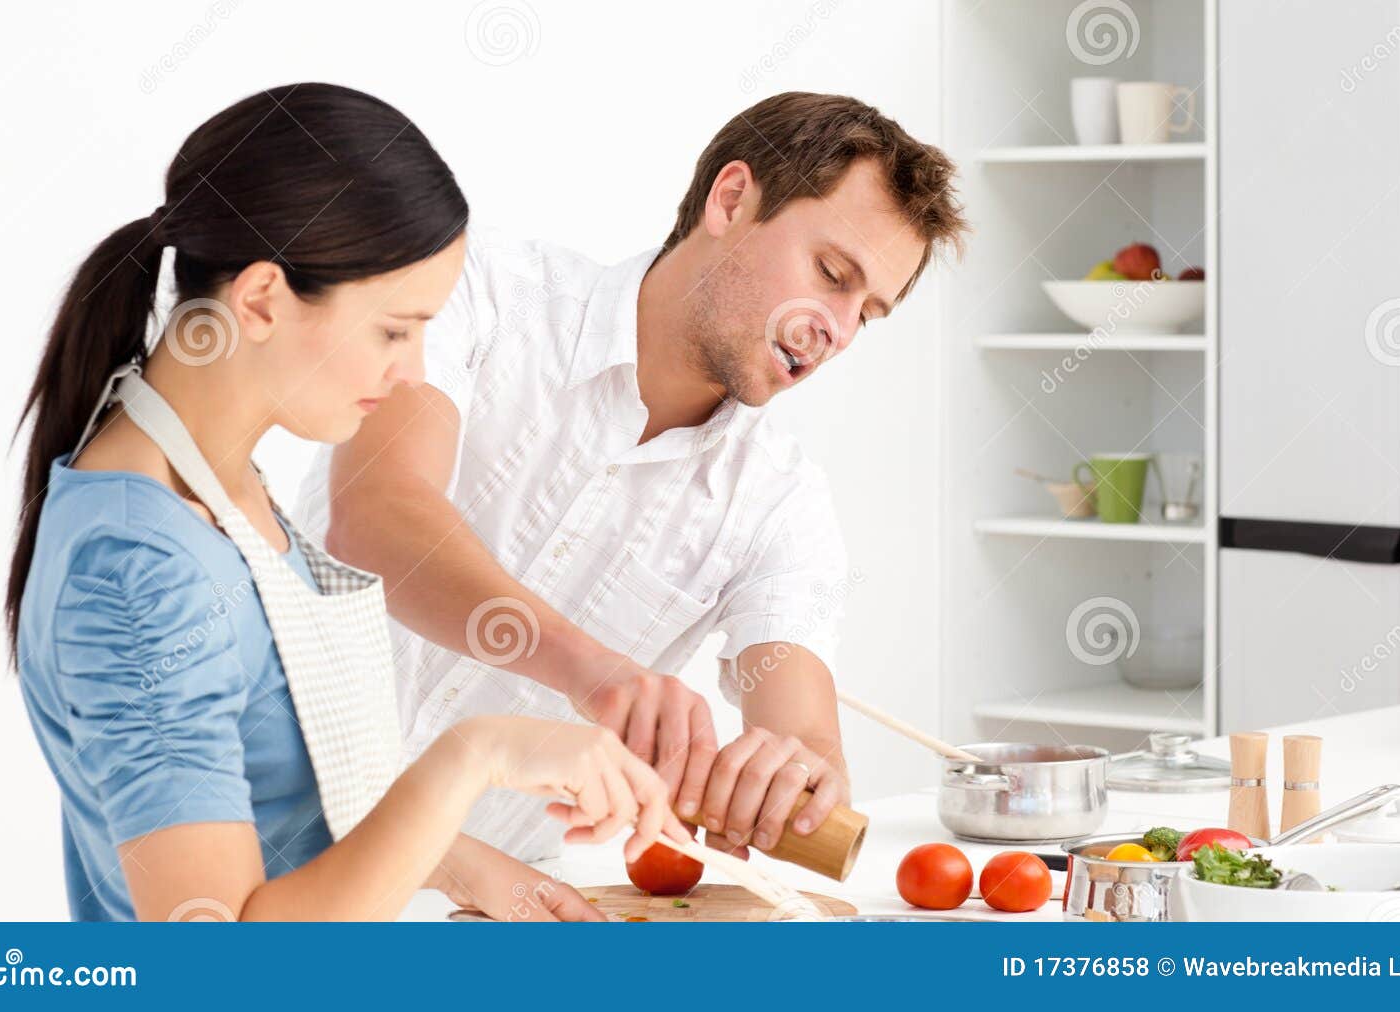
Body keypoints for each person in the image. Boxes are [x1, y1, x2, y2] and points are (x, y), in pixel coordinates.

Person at [7, 83, 683, 922]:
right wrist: (479, 753)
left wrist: (474, 870)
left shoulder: (221, 486)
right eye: (395, 330)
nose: (411, 371)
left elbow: (291, 812)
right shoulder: (138, 567)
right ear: (259, 300)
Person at [298, 91, 967, 861]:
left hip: (477, 916)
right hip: (239, 856)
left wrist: (799, 773)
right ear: (732, 198)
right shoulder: (479, 293)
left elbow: (804, 736)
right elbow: (375, 515)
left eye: (869, 313)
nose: (839, 330)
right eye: (830, 273)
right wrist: (597, 674)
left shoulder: (780, 502)